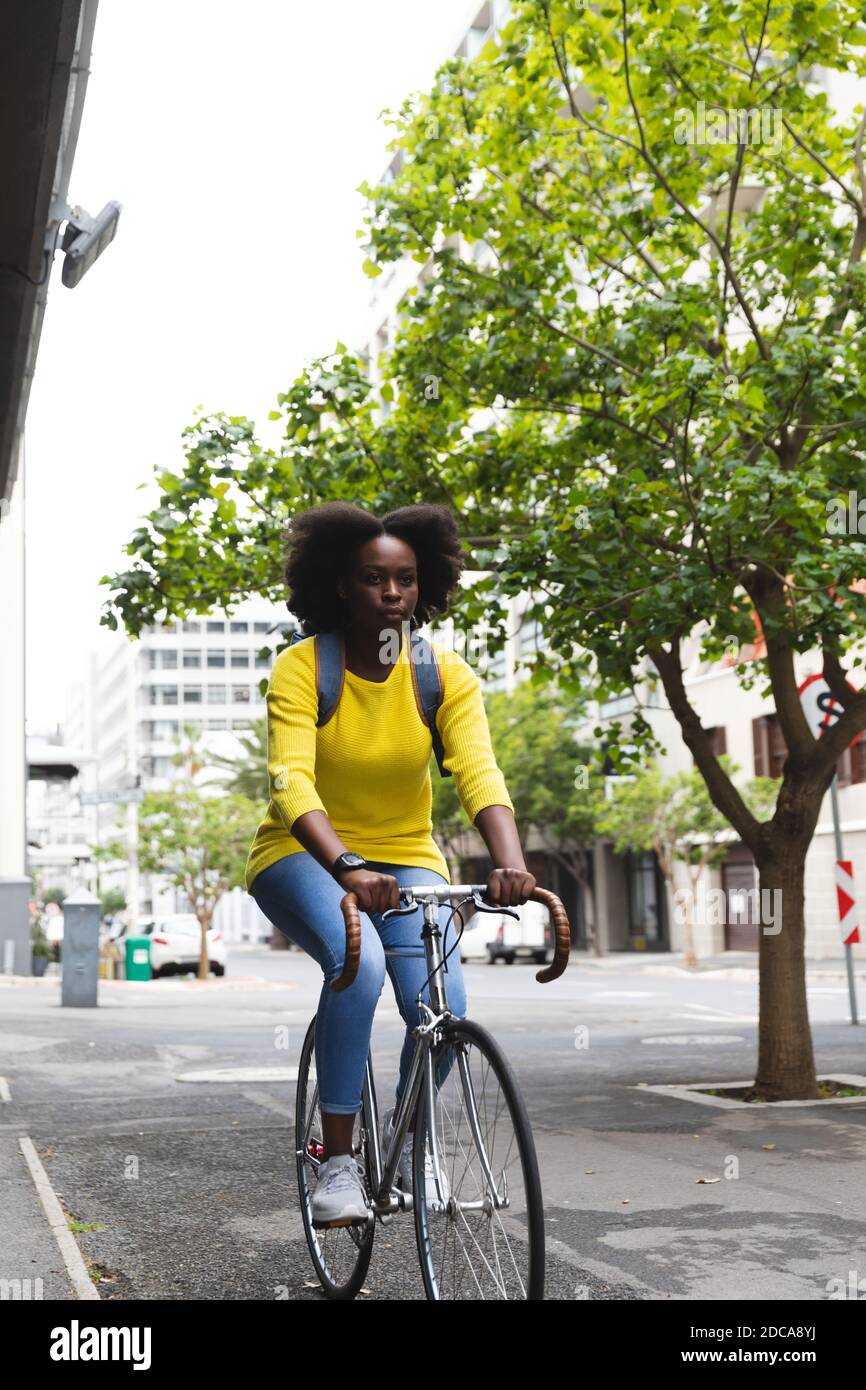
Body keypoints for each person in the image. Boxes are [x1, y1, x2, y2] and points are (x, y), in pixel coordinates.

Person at [245, 501, 535, 1223]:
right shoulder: (303, 668)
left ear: (423, 585)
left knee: (443, 1008)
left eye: (406, 579)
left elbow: (478, 772)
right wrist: (343, 863)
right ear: (341, 583)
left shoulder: (444, 675)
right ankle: (338, 1164)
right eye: (375, 578)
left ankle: (412, 1151)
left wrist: (512, 864)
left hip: (406, 858)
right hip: (301, 853)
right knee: (360, 965)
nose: (393, 592)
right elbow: (290, 781)